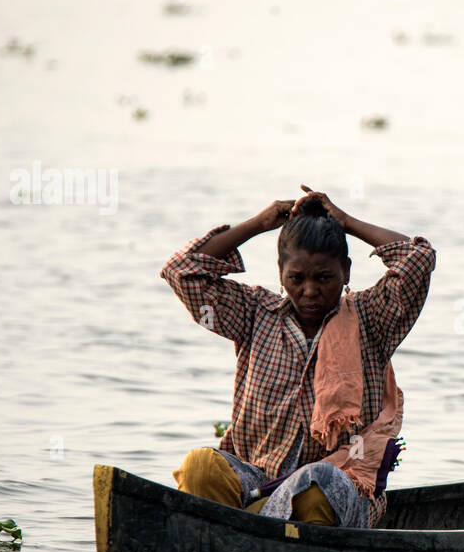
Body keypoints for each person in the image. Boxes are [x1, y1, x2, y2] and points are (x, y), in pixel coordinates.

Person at [161, 184, 435, 528]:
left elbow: (419, 260)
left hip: (335, 489)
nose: (309, 290)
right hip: (256, 483)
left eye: (323, 277)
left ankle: (246, 527)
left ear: (346, 271)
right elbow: (181, 270)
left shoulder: (371, 319)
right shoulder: (254, 313)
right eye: (297, 278)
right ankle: (253, 523)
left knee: (317, 480)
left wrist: (347, 221)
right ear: (280, 274)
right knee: (199, 466)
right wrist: (257, 224)